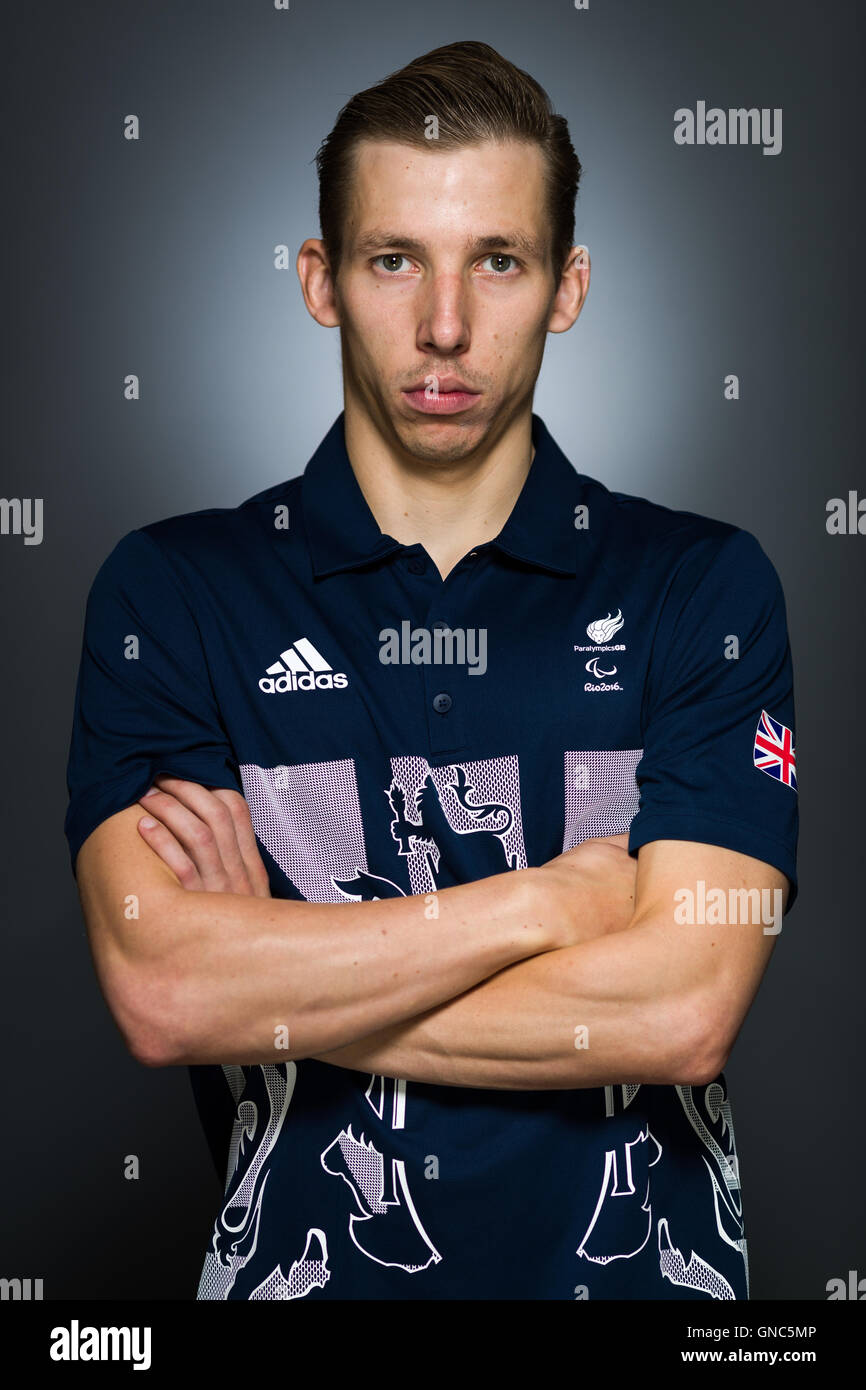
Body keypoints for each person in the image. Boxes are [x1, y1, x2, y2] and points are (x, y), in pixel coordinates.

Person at [64, 40, 798, 1301]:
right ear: (320, 280)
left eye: (496, 262)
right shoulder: (171, 591)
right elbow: (166, 984)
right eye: (392, 258)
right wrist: (547, 905)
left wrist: (286, 960)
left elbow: (680, 1013)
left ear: (566, 287)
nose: (444, 326)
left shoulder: (703, 587)